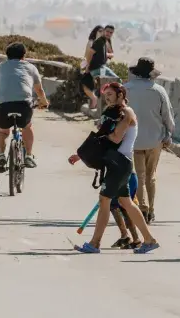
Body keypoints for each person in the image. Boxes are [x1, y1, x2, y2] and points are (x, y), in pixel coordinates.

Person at [69, 81, 159, 255]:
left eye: (110, 94)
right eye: (106, 95)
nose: (107, 98)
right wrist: (82, 154)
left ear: (121, 95)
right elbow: (105, 139)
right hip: (117, 163)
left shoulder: (127, 112)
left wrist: (104, 132)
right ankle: (149, 240)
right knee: (126, 203)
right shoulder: (114, 113)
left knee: (105, 201)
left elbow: (116, 138)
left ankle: (95, 244)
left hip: (120, 164)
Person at [122, 57, 174, 224]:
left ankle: (142, 209)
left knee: (138, 175)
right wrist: (168, 135)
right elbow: (168, 117)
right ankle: (151, 210)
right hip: (155, 140)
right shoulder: (159, 91)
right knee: (151, 176)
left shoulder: (126, 89)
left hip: (133, 140)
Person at [0, 42, 49, 174]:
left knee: (2, 132)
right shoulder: (31, 67)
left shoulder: (0, 67)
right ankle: (28, 156)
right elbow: (39, 90)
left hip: (3, 107)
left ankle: (1, 156)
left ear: (7, 55)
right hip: (24, 105)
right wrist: (44, 102)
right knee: (26, 127)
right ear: (24, 55)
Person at [81, 25, 115, 107]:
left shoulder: (105, 41)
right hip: (94, 66)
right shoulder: (95, 41)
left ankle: (96, 101)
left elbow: (112, 54)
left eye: (111, 32)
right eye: (100, 31)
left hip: (100, 67)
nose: (108, 33)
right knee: (85, 84)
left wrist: (104, 54)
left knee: (101, 84)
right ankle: (96, 100)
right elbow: (88, 54)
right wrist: (87, 66)